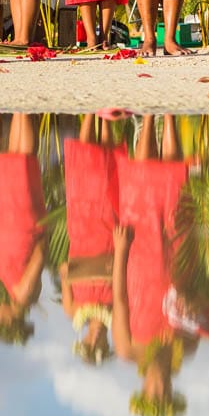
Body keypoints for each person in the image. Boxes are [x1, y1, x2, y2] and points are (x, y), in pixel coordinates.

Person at [113, 114, 209, 416]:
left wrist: (120, 252)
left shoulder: (128, 351)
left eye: (154, 393)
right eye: (166, 393)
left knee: (143, 183)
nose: (161, 387)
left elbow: (119, 301)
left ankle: (149, 114)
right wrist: (191, 300)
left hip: (138, 261)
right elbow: (208, 301)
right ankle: (168, 115)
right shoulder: (188, 348)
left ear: (143, 388)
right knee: (173, 190)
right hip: (179, 261)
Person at [59, 113, 127, 363]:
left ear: (84, 340)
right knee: (109, 184)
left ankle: (89, 114)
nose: (95, 339)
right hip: (110, 241)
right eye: (99, 344)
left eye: (89, 342)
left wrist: (78, 273)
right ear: (106, 343)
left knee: (84, 176)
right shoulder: (118, 315)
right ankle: (107, 118)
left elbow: (63, 271)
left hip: (84, 235)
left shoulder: (72, 311)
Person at [0, 112, 47, 344]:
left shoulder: (16, 294)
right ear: (9, 320)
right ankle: (24, 110)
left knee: (13, 162)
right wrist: (41, 233)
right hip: (23, 224)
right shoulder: (24, 295)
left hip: (10, 222)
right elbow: (40, 256)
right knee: (25, 162)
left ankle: (19, 112)